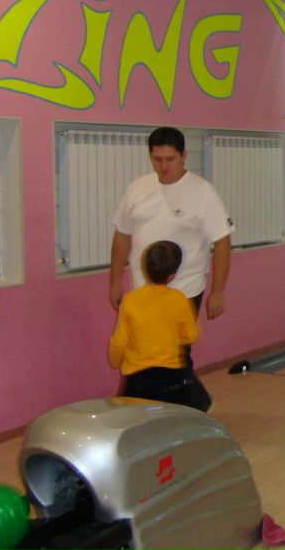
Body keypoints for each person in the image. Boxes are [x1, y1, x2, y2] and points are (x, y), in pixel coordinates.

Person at [109, 126, 234, 410]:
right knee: (147, 353)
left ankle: (192, 408)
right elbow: (122, 236)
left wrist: (218, 291)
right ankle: (188, 406)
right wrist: (115, 281)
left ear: (183, 156)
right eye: (157, 159)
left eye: (170, 159)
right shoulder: (138, 189)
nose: (163, 166)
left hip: (185, 288)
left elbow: (222, 243)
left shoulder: (202, 192)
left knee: (176, 352)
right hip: (143, 291)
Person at [108, 240, 200, 407]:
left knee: (133, 416)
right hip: (171, 376)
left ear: (145, 269)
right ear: (172, 275)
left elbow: (119, 340)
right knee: (174, 415)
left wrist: (115, 360)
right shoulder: (179, 299)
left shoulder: (130, 300)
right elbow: (190, 335)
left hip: (137, 377)